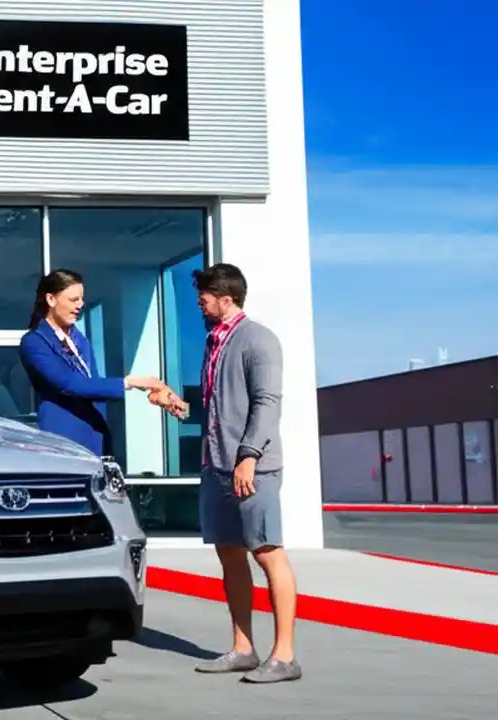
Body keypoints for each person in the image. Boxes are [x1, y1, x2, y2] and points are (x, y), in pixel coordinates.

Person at [190, 263, 301, 683]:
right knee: (229, 554)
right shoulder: (212, 341)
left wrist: (249, 455)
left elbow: (266, 402)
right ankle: (243, 648)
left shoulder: (258, 340)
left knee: (268, 552)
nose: (199, 305)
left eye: (203, 299)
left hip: (254, 467)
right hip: (216, 465)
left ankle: (285, 656)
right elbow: (222, 403)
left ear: (225, 297)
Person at [18, 269, 186, 457]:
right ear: (51, 299)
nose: (80, 305)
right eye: (73, 300)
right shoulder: (34, 342)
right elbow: (69, 384)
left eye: (81, 299)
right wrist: (131, 382)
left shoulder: (79, 339)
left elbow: (94, 384)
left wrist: (155, 390)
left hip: (95, 439)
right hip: (62, 444)